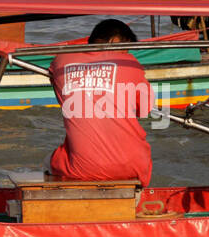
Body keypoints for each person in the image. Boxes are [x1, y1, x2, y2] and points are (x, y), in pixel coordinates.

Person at [48, 19, 153, 186]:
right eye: (124, 50)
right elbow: (145, 109)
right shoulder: (129, 62)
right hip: (133, 167)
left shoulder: (60, 61)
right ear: (115, 42)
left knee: (49, 162)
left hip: (81, 170)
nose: (125, 54)